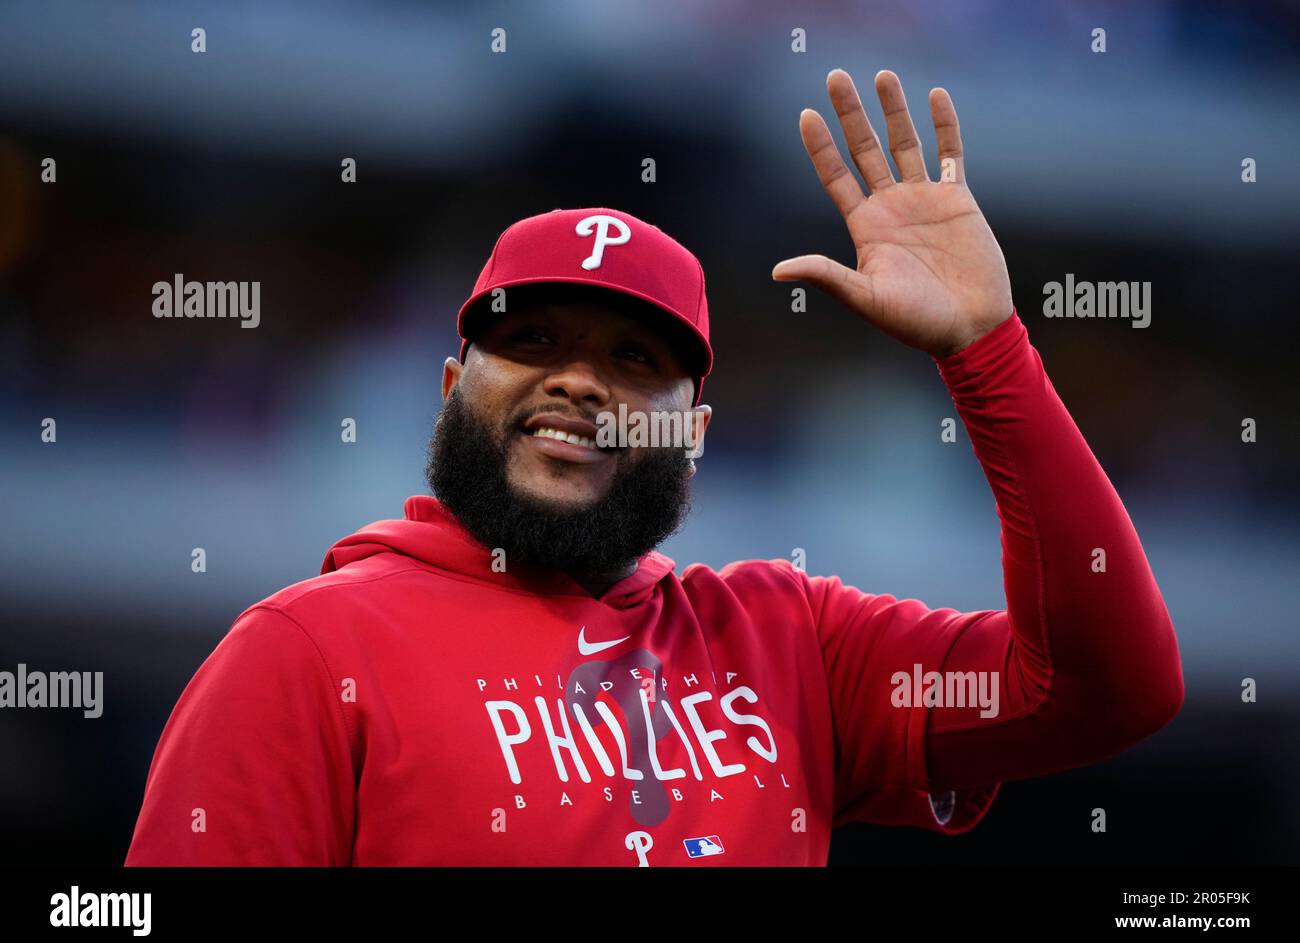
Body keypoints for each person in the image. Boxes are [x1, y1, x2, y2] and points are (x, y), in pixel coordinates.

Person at [124, 68, 1182, 867]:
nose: (581, 384)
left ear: (695, 431)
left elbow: (1109, 690)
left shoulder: (789, 644)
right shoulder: (303, 652)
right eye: (533, 342)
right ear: (450, 388)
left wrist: (984, 352)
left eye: (635, 361)